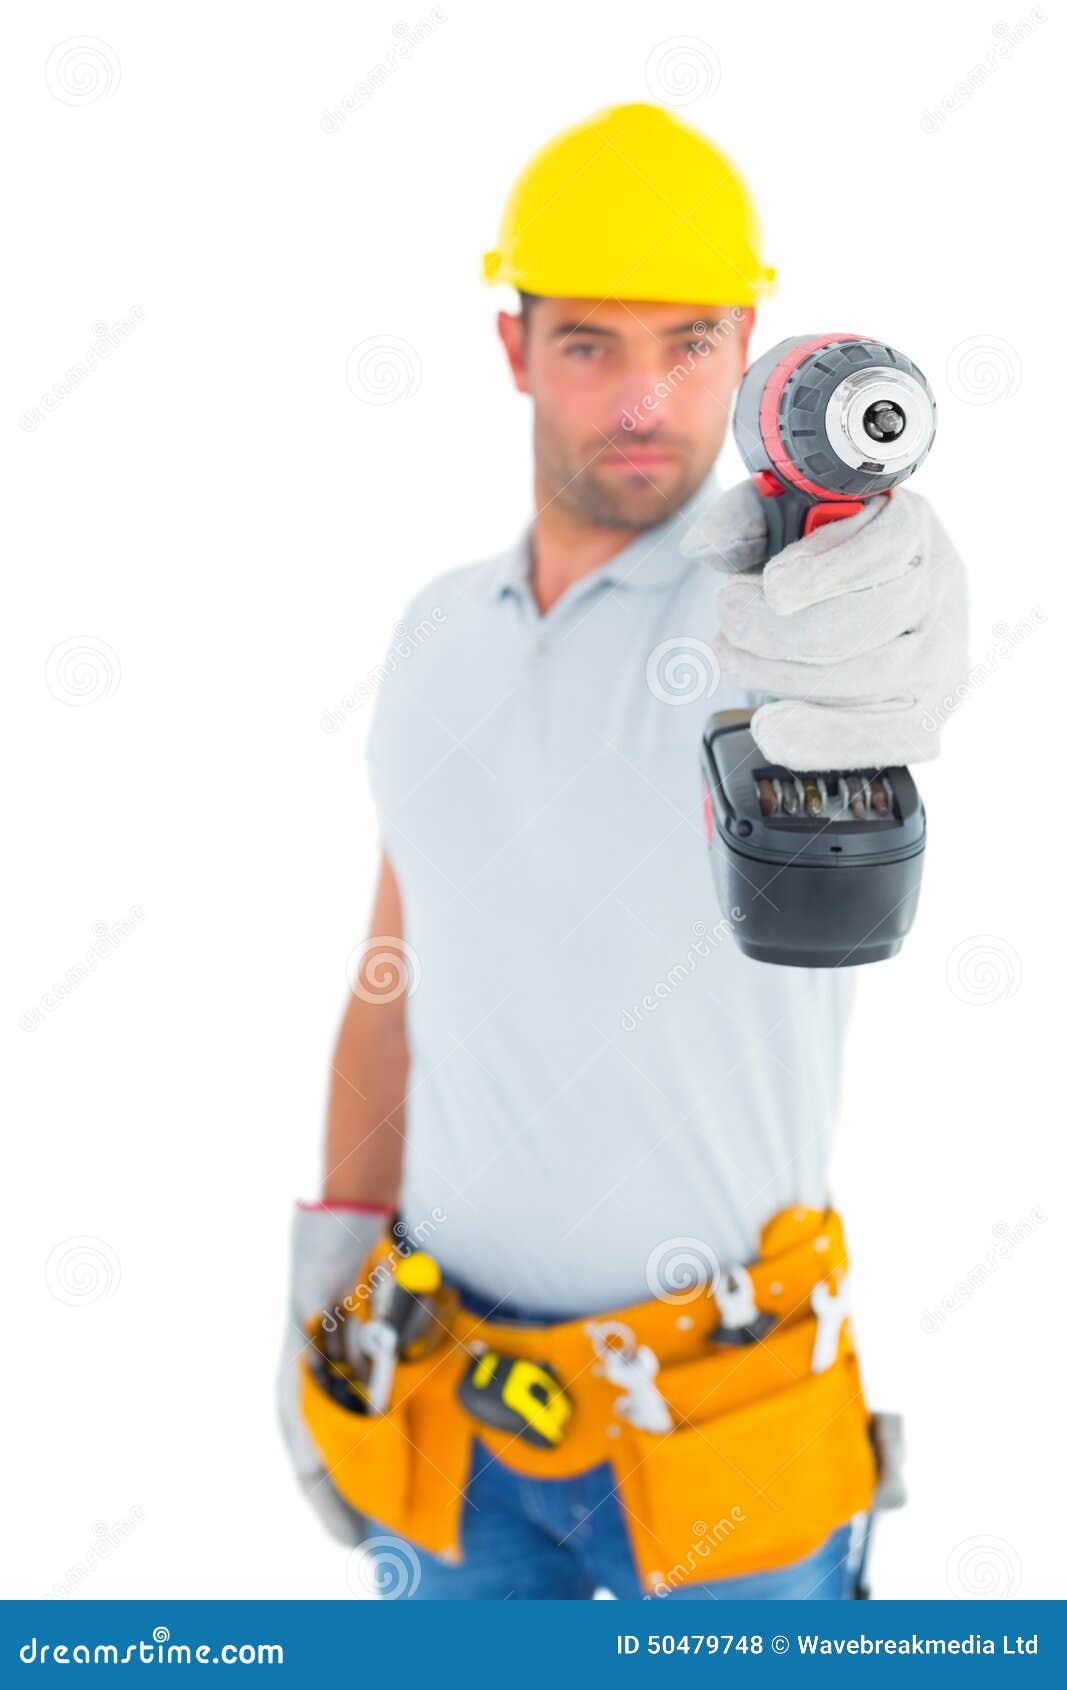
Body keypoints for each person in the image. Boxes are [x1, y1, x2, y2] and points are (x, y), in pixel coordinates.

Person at [279, 103, 968, 1600]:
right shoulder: (432, 636)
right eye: (592, 341)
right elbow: (398, 975)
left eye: (692, 341)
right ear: (515, 348)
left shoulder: (770, 610)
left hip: (734, 1434)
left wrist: (895, 587)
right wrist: (324, 1267)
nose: (646, 396)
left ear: (750, 348)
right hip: (451, 1416)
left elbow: (875, 615)